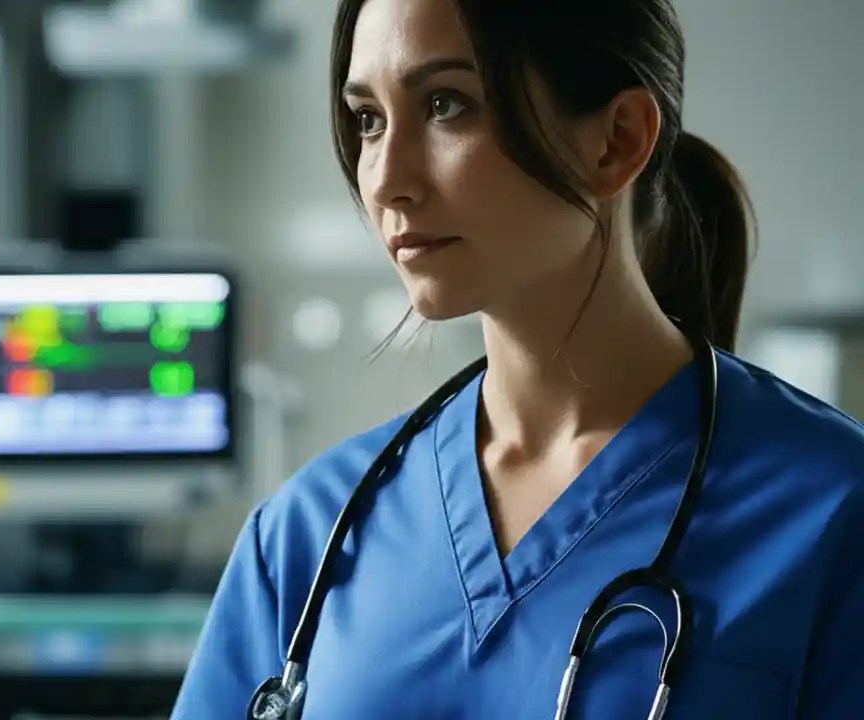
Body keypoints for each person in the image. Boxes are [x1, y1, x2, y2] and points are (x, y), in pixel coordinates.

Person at [170, 0, 864, 717]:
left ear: (617, 141)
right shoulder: (308, 533)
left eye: (447, 105)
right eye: (369, 120)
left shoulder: (831, 512)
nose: (384, 179)